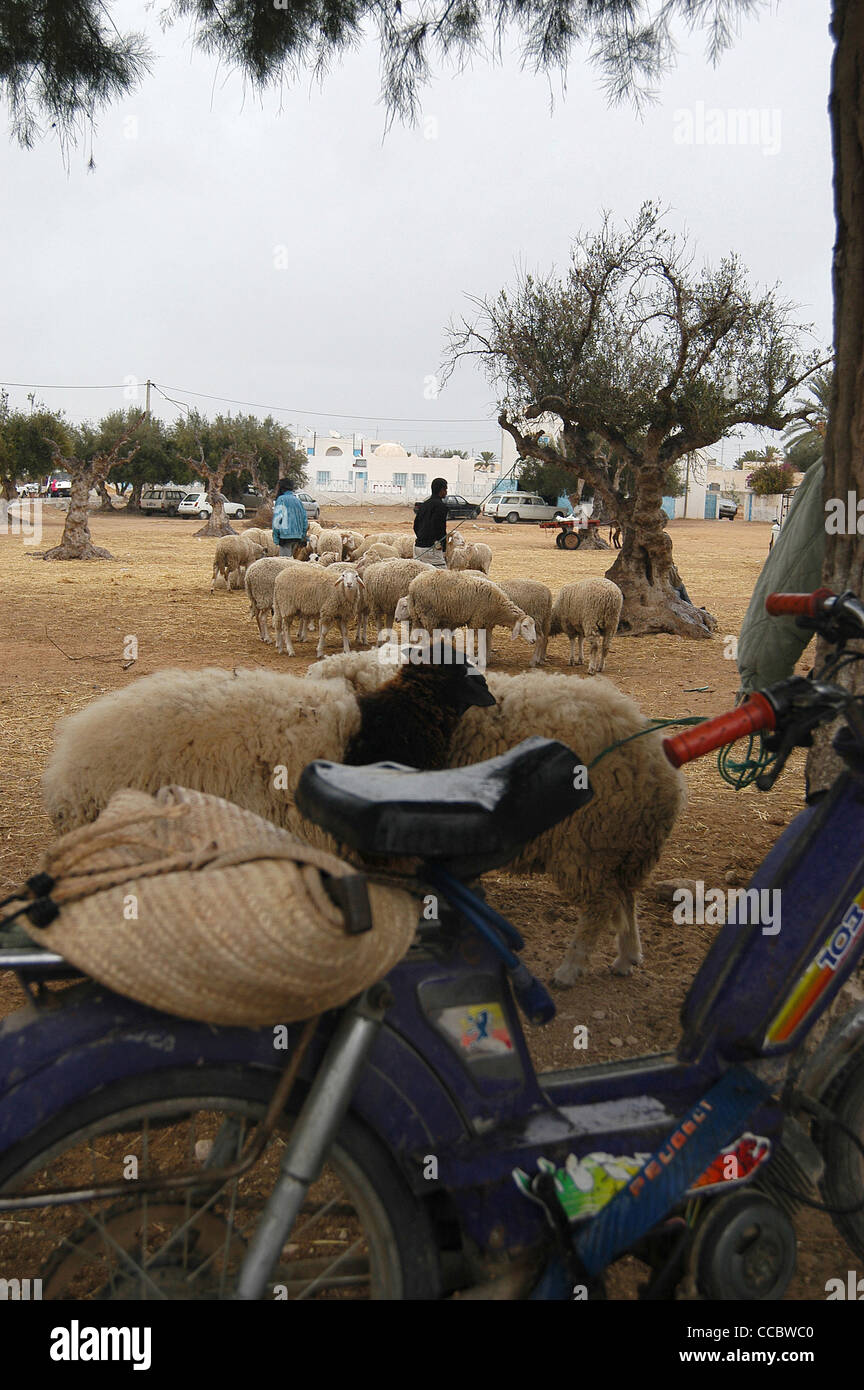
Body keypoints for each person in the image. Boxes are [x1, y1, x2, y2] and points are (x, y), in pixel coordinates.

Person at [413, 477, 450, 567]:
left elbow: (415, 526)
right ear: (441, 489)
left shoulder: (424, 505)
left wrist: (422, 539)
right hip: (431, 549)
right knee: (442, 577)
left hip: (418, 547)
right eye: (446, 489)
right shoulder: (441, 506)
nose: (446, 492)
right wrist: (443, 547)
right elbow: (440, 529)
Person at [272, 477, 308, 557]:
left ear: (281, 488)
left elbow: (277, 520)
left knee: (284, 563)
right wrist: (303, 535)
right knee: (292, 562)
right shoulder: (297, 501)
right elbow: (305, 520)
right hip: (297, 536)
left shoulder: (281, 499)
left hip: (285, 536)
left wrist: (276, 537)